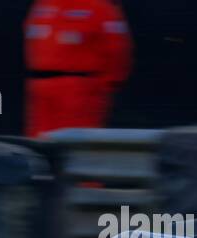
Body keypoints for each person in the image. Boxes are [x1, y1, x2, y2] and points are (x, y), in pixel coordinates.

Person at [24, 0, 133, 137]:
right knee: (41, 141)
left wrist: (105, 85)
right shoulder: (44, 4)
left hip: (78, 88)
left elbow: (117, 50)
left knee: (75, 142)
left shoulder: (99, 7)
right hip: (43, 87)